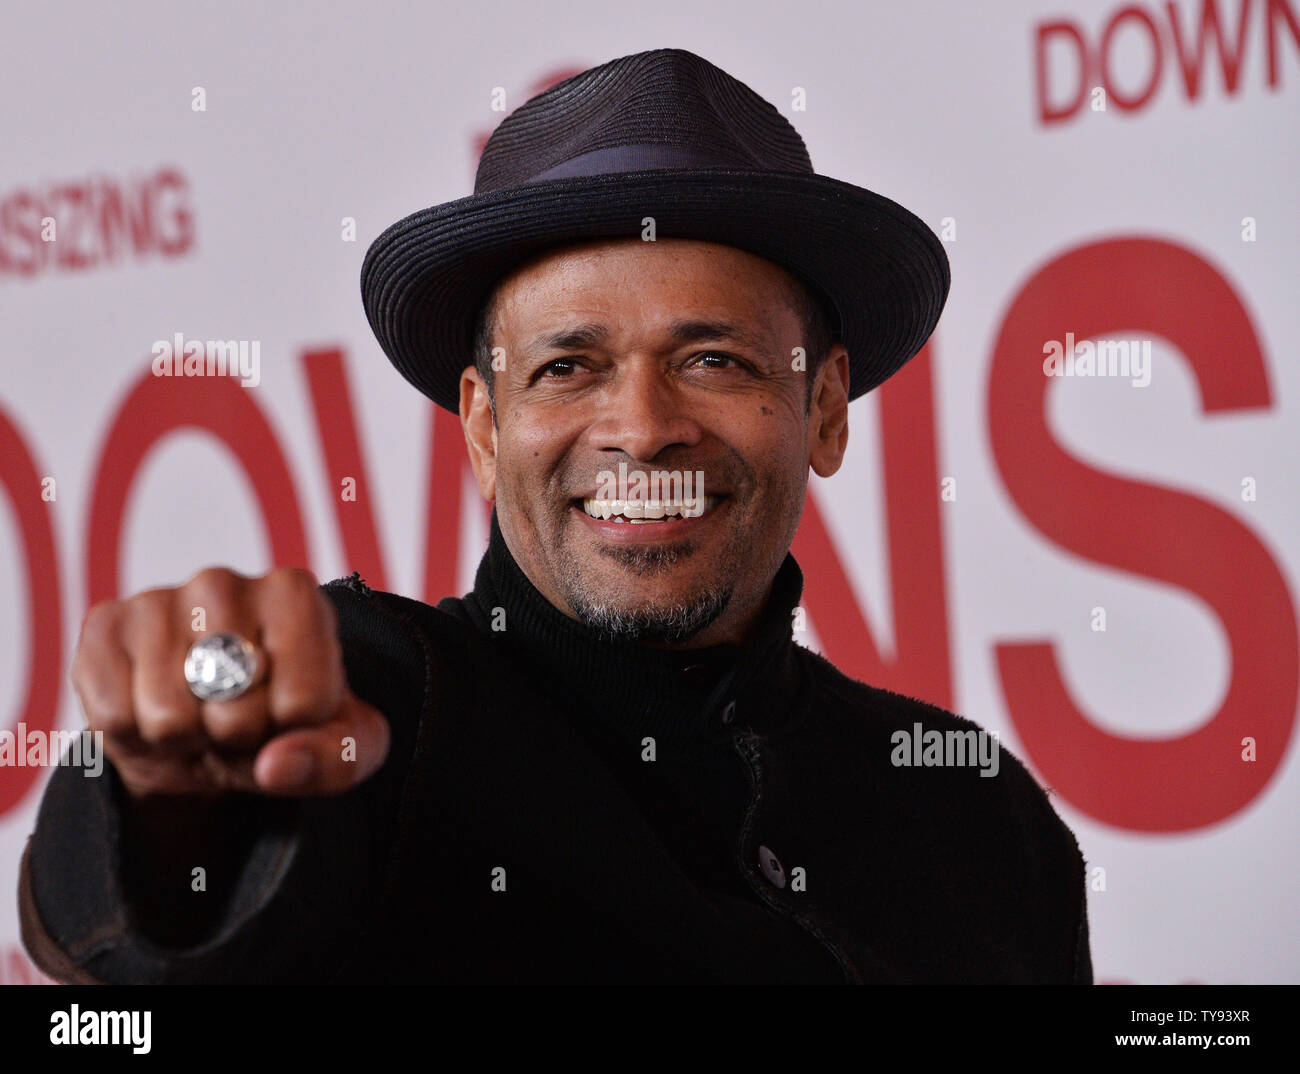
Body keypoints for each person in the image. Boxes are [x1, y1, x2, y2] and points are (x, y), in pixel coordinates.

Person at [18, 47, 1092, 984]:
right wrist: (170, 803)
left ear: (820, 408)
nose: (641, 425)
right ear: (484, 429)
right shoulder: (381, 707)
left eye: (712, 359)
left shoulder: (982, 818)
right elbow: (163, 921)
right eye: (569, 366)